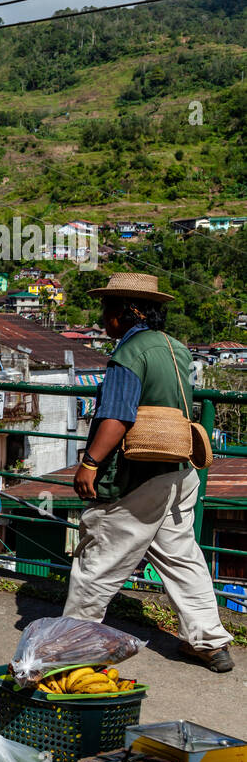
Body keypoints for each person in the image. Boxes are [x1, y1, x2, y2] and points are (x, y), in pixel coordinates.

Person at [68, 272, 234, 673]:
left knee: (99, 562)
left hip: (137, 476)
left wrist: (90, 462)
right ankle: (209, 642)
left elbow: (117, 416)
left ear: (129, 311)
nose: (102, 318)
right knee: (181, 559)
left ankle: (70, 646)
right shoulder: (174, 348)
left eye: (107, 309)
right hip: (178, 470)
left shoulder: (129, 354)